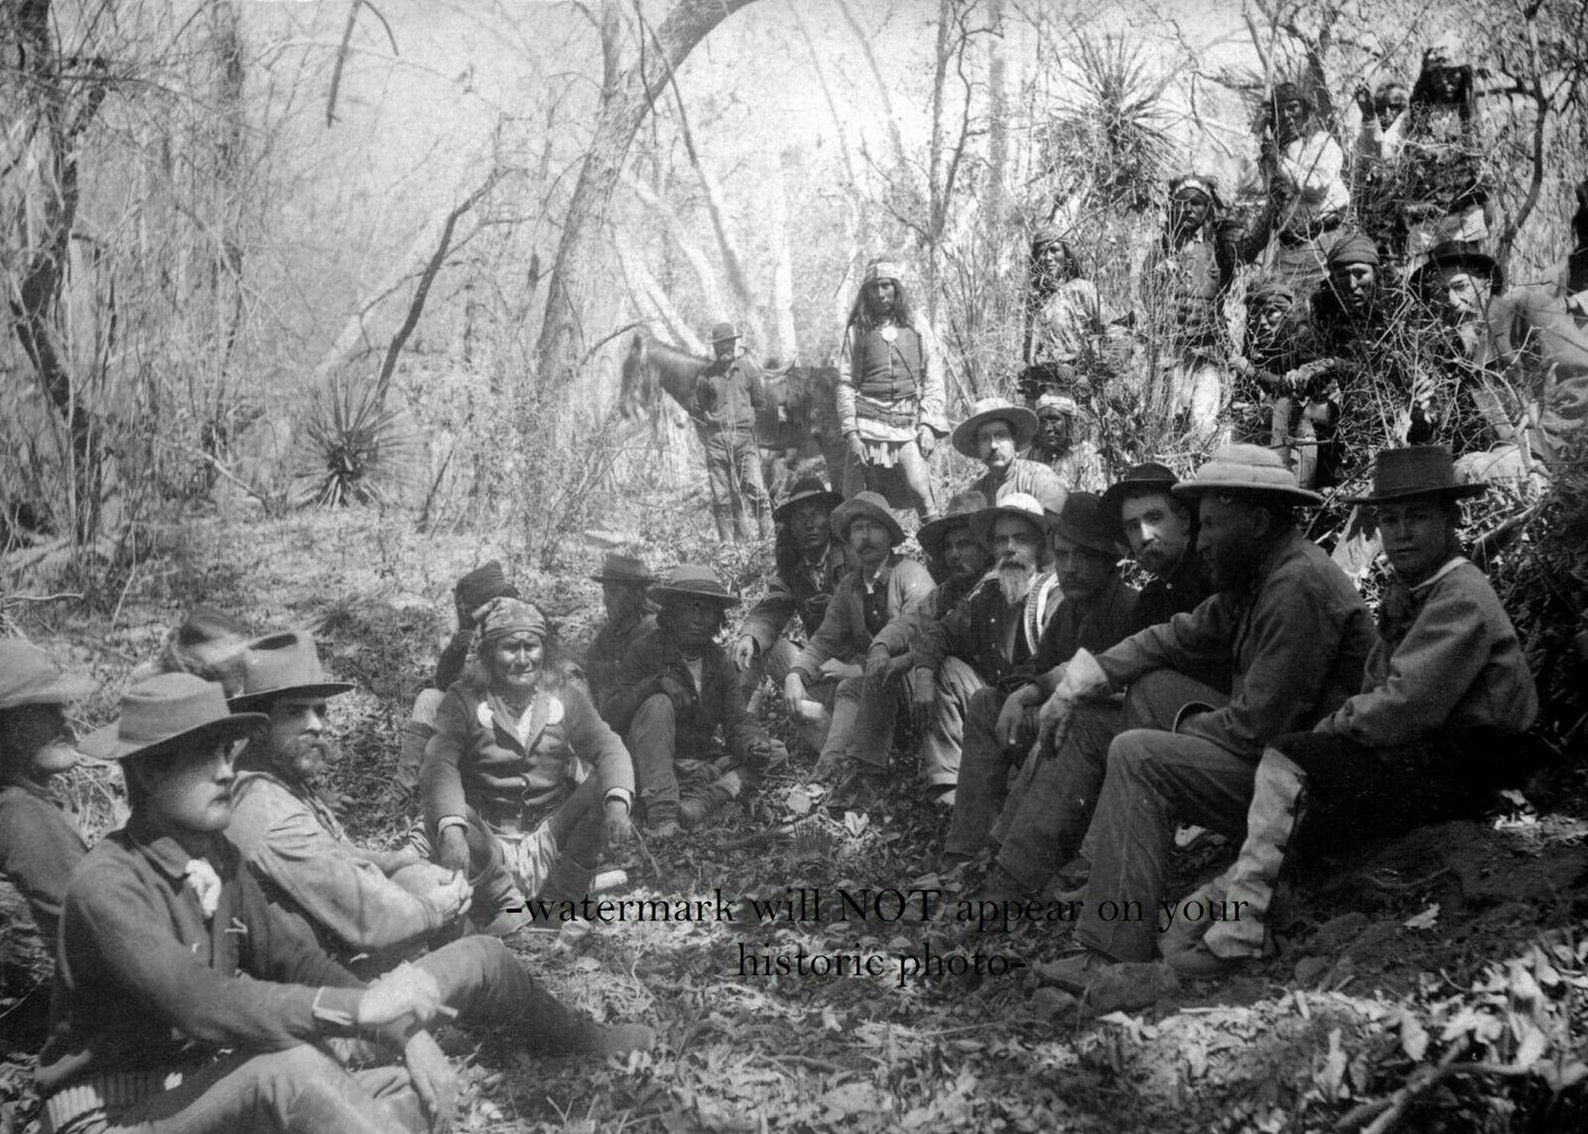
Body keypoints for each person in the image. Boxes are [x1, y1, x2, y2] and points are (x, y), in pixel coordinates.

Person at [1167, 447, 1539, 977]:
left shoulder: (1462, 596)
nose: (1401, 533)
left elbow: (1403, 705)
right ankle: (1221, 908)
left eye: (1418, 517)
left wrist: (1329, 732)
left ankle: (1239, 930)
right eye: (1390, 519)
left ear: (1451, 519)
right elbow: (1380, 685)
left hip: (1476, 765)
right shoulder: (1416, 589)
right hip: (1431, 754)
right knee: (1308, 797)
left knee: (1293, 758)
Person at [39, 672, 450, 1134]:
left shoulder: (218, 857)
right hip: (107, 1116)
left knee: (405, 1091)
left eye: (225, 752)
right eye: (204, 756)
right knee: (291, 1071)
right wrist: (361, 1008)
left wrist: (401, 1032)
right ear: (150, 772)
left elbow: (293, 960)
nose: (226, 771)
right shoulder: (108, 883)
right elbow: (199, 1000)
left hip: (190, 1093)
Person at [1025, 446, 1373, 987]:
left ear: (1258, 523)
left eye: (1212, 525)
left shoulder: (1296, 585)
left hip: (1318, 795)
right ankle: (1110, 878)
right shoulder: (1261, 577)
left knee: (1138, 754)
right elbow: (1173, 636)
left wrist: (1178, 731)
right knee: (1154, 689)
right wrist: (1084, 677)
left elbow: (1257, 729)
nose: (1202, 540)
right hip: (1283, 773)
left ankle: (1112, 955)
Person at [223, 631, 654, 1055]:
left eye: (319, 710)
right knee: (486, 959)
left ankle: (473, 1003)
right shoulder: (269, 812)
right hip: (325, 1007)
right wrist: (434, 906)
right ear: (258, 727)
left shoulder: (272, 785)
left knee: (434, 896)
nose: (316, 725)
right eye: (295, 713)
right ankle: (577, 1042)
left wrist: (409, 869)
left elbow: (347, 860)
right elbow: (371, 918)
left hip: (330, 979)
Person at [941, 493, 1140, 869]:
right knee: (985, 702)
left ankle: (1013, 857)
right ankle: (965, 851)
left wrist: (1030, 693)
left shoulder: (1129, 608)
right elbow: (1037, 665)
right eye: (1062, 555)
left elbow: (1096, 675)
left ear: (1109, 559)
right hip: (1060, 737)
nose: (1071, 568)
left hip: (1100, 754)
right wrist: (1018, 693)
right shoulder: (1070, 610)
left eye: (1084, 556)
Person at [420, 599, 635, 925]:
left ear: (544, 651)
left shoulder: (562, 695)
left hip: (551, 833)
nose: (523, 659)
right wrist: (451, 830)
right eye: (510, 648)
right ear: (490, 653)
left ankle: (560, 899)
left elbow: (608, 746)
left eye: (531, 647)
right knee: (448, 814)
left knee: (605, 783)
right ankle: (506, 901)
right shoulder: (464, 698)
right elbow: (440, 764)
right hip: (490, 843)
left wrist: (617, 802)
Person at [606, 566, 786, 838]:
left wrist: (753, 744)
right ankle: (663, 815)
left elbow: (737, 720)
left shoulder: (718, 661)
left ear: (718, 618)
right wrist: (655, 683)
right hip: (648, 764)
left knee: (776, 752)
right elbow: (611, 716)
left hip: (698, 763)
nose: (698, 619)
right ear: (671, 612)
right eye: (689, 608)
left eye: (708, 610)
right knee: (658, 704)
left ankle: (704, 801)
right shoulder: (645, 650)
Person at [782, 492, 934, 807]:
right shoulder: (850, 586)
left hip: (913, 682)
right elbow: (825, 639)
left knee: (851, 686)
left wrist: (867, 663)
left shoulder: (910, 573)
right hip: (872, 689)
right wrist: (796, 674)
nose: (865, 537)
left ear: (889, 534)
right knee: (810, 700)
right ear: (848, 539)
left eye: (873, 527)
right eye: (857, 529)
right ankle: (839, 764)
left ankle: (842, 768)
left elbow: (917, 623)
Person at [861, 490, 991, 808]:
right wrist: (881, 646)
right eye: (948, 547)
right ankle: (868, 769)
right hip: (963, 699)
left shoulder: (993, 584)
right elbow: (912, 622)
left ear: (985, 547)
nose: (954, 554)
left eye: (964, 544)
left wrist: (917, 664)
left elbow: (950, 633)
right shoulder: (949, 590)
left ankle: (948, 782)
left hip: (994, 696)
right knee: (891, 667)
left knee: (939, 667)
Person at [1417, 241, 1588, 472]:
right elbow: (1459, 437)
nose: (1452, 302)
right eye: (1440, 292)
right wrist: (1425, 419)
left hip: (1560, 455)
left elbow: (1580, 375)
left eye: (1460, 287)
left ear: (1486, 284)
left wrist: (1543, 445)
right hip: (1502, 462)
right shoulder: (1451, 357)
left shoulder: (1524, 308)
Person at [0, 641, 93, 1023]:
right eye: (44, 710)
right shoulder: (21, 814)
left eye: (62, 706)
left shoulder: (22, 804)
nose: (65, 721)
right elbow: (102, 924)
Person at [732, 477, 848, 749]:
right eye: (800, 518)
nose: (809, 525)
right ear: (791, 529)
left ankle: (839, 746)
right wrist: (749, 636)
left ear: (830, 517)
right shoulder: (794, 570)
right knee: (766, 647)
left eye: (816, 514)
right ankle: (742, 727)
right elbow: (771, 610)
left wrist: (837, 605)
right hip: (821, 670)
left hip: (857, 670)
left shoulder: (850, 557)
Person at [397, 561, 520, 798]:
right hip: (477, 716)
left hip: (510, 722)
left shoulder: (518, 626)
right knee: (428, 699)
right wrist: (457, 648)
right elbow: (444, 683)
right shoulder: (476, 632)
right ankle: (403, 792)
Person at [837, 259, 947, 522]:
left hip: (907, 424)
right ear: (866, 292)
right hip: (867, 426)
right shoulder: (856, 331)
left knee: (921, 490)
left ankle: (938, 541)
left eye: (886, 285)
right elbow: (846, 383)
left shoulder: (916, 324)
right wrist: (852, 434)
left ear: (897, 288)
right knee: (860, 501)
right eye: (874, 287)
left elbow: (933, 374)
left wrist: (928, 424)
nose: (880, 293)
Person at [1139, 175, 1238, 443]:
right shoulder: (1159, 251)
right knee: (1164, 427)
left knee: (1203, 424)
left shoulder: (1218, 247)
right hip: (1169, 353)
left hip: (1207, 350)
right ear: (1172, 206)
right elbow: (1146, 296)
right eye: (1182, 202)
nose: (1189, 209)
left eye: (1196, 203)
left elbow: (1248, 247)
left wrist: (1272, 206)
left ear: (1207, 208)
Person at [1397, 40, 1489, 270]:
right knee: (1429, 276)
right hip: (1426, 217)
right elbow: (1394, 152)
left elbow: (1486, 170)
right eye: (1437, 74)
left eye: (1450, 73)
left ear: (1462, 74)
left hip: (1465, 214)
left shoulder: (1475, 116)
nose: (1444, 81)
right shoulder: (1414, 116)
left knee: (1467, 272)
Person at [1098, 462, 1216, 633]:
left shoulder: (1214, 578)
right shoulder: (1152, 598)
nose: (1145, 536)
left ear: (1184, 520)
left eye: (1154, 518)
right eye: (1133, 526)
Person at [1255, 82, 1350, 288]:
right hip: (1288, 255)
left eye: (1292, 108)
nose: (1287, 116)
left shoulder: (1322, 142)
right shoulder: (1272, 152)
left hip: (1324, 247)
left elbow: (1316, 186)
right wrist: (1257, 131)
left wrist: (1280, 163)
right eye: (1280, 111)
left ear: (1305, 111)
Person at [694, 320, 772, 543]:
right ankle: (729, 547)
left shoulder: (748, 371)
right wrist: (710, 437)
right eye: (719, 344)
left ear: (734, 344)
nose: (724, 348)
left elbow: (760, 403)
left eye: (728, 343)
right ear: (714, 347)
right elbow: (698, 410)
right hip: (717, 442)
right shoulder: (705, 377)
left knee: (756, 490)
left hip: (744, 440)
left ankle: (768, 542)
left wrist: (751, 431)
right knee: (722, 497)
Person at [1023, 229, 1117, 387]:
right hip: (1038, 388)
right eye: (1042, 252)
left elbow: (1115, 331)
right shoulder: (1035, 299)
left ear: (1066, 255)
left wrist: (1096, 377)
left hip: (1073, 387)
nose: (1048, 258)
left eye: (1054, 250)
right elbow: (1028, 349)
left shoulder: (1082, 289)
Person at [952, 395, 1068, 509]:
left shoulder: (1040, 478)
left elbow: (1057, 519)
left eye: (1001, 435)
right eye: (985, 438)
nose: (993, 445)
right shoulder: (978, 490)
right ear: (977, 446)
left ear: (1014, 440)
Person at [582, 554, 657, 715]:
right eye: (605, 591)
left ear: (635, 594)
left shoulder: (653, 630)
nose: (606, 600)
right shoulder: (610, 632)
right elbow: (589, 664)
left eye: (614, 592)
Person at [1030, 390, 1106, 492]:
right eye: (1042, 421)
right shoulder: (1035, 454)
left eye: (1054, 420)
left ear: (1069, 423)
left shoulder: (1084, 454)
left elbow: (1089, 496)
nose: (1047, 428)